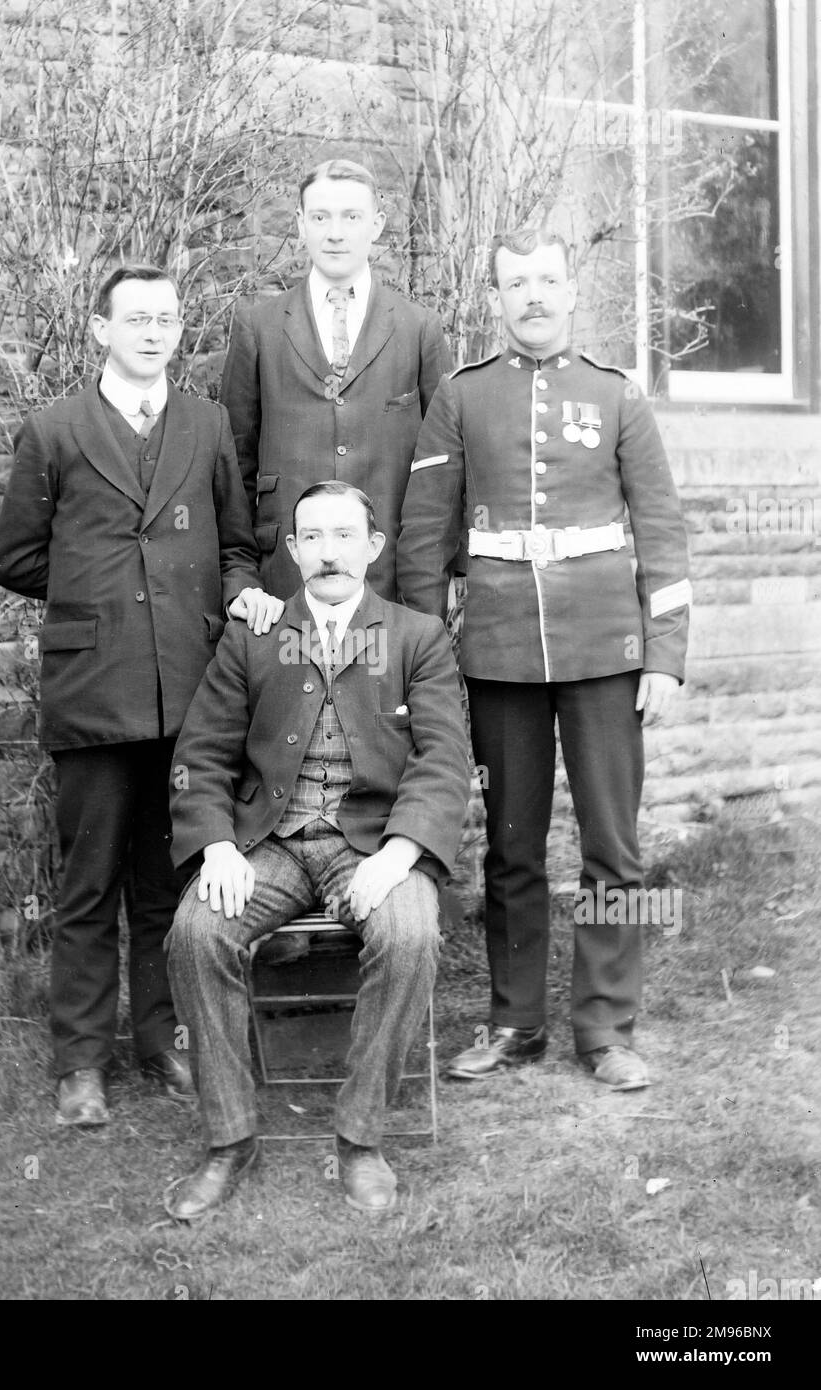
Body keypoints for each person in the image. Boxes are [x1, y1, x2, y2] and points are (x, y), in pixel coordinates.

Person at [0, 264, 282, 1127]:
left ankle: (160, 1042)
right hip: (93, 689)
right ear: (98, 329)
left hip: (188, 694)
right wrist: (101, 595)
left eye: (167, 319)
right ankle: (80, 1061)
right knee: (87, 884)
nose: (153, 333)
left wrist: (228, 593)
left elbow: (234, 547)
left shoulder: (206, 424)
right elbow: (15, 556)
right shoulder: (54, 431)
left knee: (169, 879)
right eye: (136, 319)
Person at [397, 228, 691, 1091]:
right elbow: (423, 539)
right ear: (494, 299)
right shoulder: (459, 397)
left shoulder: (615, 396)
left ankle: (606, 1027)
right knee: (512, 846)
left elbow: (661, 532)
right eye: (515, 283)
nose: (532, 296)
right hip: (496, 654)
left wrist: (664, 657)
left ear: (571, 291)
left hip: (605, 650)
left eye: (547, 281)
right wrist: (423, 658)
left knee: (613, 845)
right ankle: (513, 1021)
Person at [163, 481, 470, 1219]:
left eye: (344, 536)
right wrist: (215, 848)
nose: (329, 552)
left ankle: (360, 1138)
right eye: (313, 538)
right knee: (196, 933)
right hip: (270, 840)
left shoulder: (417, 636)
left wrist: (396, 859)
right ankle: (230, 1138)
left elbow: (443, 761)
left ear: (372, 547)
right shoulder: (253, 636)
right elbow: (200, 754)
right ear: (293, 550)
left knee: (406, 934)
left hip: (372, 843)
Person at [219, 158, 452, 601]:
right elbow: (236, 468)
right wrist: (242, 580)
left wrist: (435, 585)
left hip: (390, 575)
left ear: (377, 225)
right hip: (284, 577)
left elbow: (441, 472)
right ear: (301, 224)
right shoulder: (259, 328)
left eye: (351, 216)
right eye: (321, 217)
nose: (335, 232)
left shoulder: (419, 328)